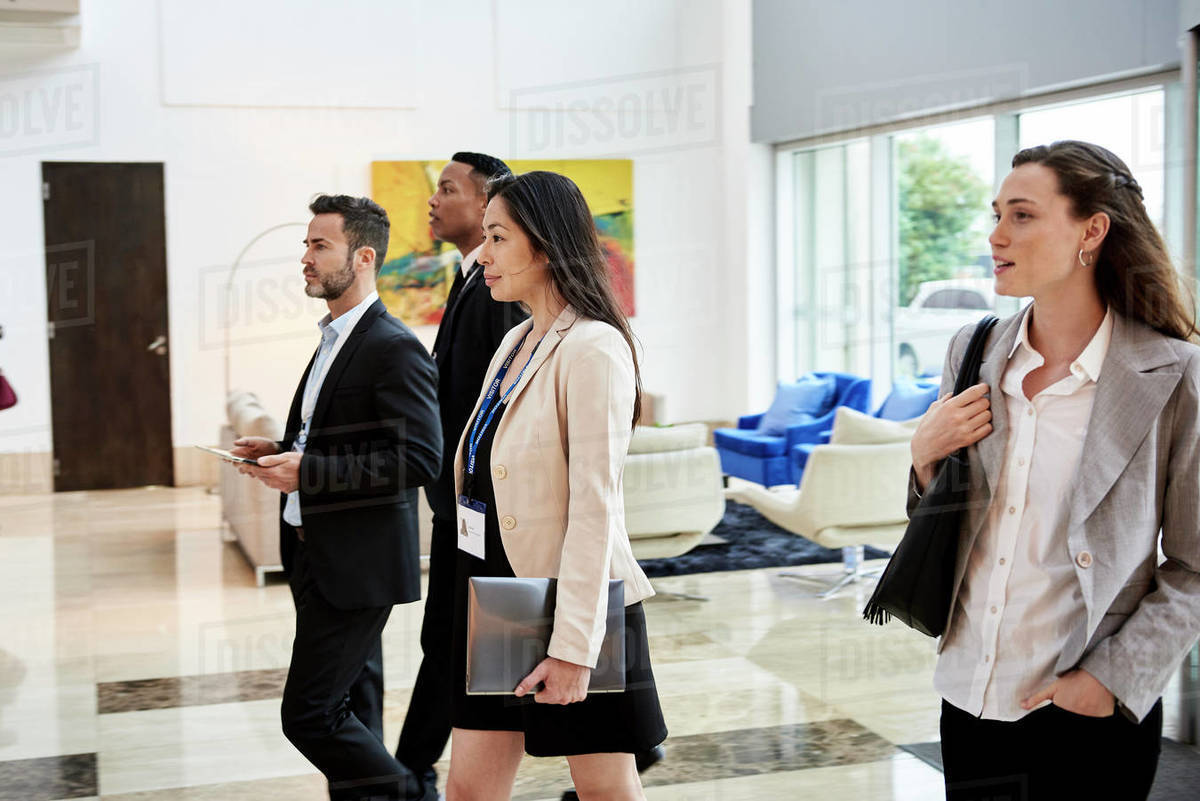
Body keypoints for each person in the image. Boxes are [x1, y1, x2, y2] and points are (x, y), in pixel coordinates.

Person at [908, 141, 1200, 801]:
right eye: (996, 215)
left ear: (1092, 230)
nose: (995, 235)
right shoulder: (972, 350)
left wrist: (1111, 680)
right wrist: (923, 454)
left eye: (1021, 215)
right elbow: (945, 519)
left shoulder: (1173, 376)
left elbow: (1195, 567)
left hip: (1087, 708)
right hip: (970, 697)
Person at [443, 171, 667, 801]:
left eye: (497, 237)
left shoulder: (593, 348)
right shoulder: (516, 340)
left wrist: (574, 648)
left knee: (605, 789)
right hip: (499, 596)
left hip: (573, 603)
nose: (482, 255)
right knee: (468, 789)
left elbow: (595, 509)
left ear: (542, 247)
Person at [232, 194, 442, 801]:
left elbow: (419, 459)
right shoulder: (332, 337)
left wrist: (309, 472)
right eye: (307, 244)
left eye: (319, 245)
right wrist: (277, 449)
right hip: (313, 551)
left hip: (358, 560)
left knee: (310, 714)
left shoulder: (392, 346)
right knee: (353, 700)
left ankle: (406, 795)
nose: (305, 258)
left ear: (364, 256)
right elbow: (338, 438)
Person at [394, 152, 528, 789]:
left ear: (487, 207)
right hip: (459, 501)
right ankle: (412, 762)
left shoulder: (503, 293)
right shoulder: (469, 276)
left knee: (475, 644)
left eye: (447, 189)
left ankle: (410, 764)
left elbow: (498, 402)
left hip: (482, 506)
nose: (433, 199)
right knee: (446, 638)